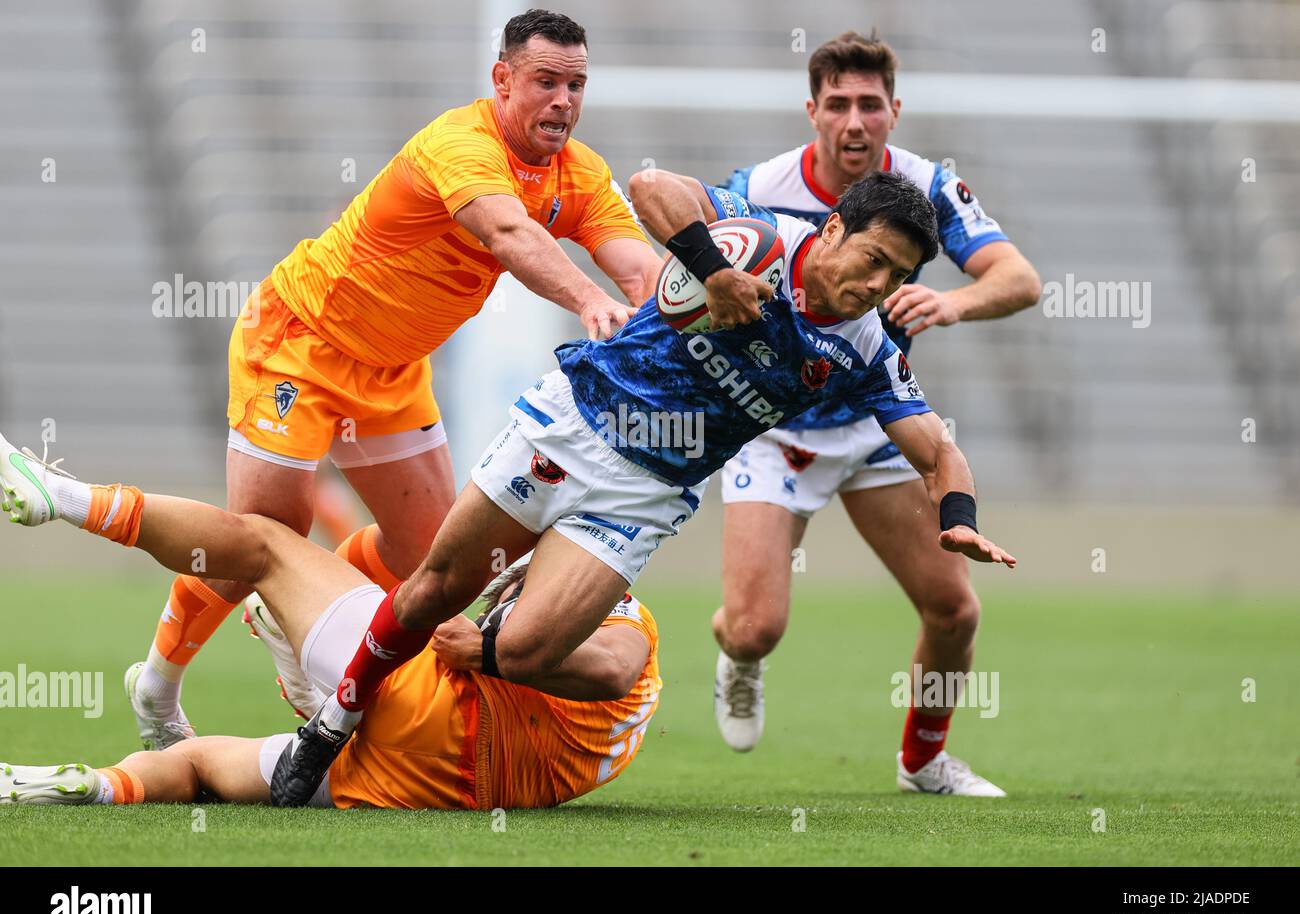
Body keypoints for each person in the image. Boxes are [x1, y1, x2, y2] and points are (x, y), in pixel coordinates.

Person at [264, 167, 1016, 807]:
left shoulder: (867, 349)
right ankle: (329, 727)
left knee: (522, 653)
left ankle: (519, 595)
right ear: (830, 232)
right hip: (573, 425)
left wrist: (959, 517)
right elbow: (652, 185)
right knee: (431, 588)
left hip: (646, 493)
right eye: (874, 259)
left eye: (898, 276)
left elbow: (939, 452)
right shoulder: (763, 240)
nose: (878, 285)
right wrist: (713, 272)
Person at [127, 8, 663, 753]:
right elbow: (510, 235)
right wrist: (590, 301)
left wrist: (684, 305)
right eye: (546, 81)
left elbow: (638, 266)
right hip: (301, 341)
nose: (563, 101)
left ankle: (298, 593)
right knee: (266, 535)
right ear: (502, 79)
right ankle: (157, 684)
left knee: (436, 567)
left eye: (576, 84)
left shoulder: (582, 174)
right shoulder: (460, 144)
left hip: (391, 373)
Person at [707, 31, 1041, 795]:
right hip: (774, 427)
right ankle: (737, 658)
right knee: (756, 626)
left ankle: (923, 761)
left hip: (875, 427)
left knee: (954, 608)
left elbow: (1019, 278)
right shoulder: (759, 186)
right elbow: (692, 248)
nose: (854, 122)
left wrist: (953, 301)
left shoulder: (924, 187)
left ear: (895, 110)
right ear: (812, 111)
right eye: (837, 105)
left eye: (869, 105)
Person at [0, 443, 661, 811]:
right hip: (421, 788)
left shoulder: (611, 602)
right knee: (194, 763)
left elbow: (613, 666)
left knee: (261, 543)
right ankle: (89, 786)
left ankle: (62, 496)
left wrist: (485, 649)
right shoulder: (572, 597)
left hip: (433, 708)